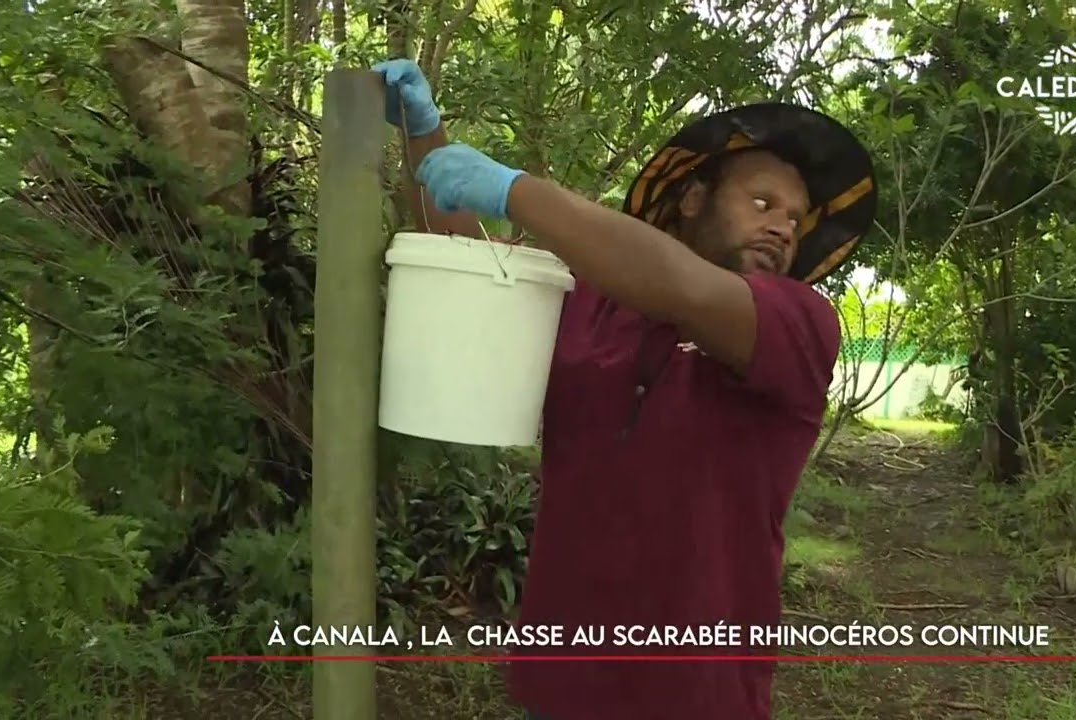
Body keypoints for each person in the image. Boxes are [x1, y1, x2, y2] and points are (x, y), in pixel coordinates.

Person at [372, 59, 877, 720]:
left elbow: (684, 288)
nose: (784, 226)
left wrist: (516, 189)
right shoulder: (593, 304)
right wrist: (424, 134)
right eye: (761, 203)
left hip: (698, 697)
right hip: (561, 685)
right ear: (693, 200)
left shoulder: (796, 324)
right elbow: (474, 269)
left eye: (796, 218)